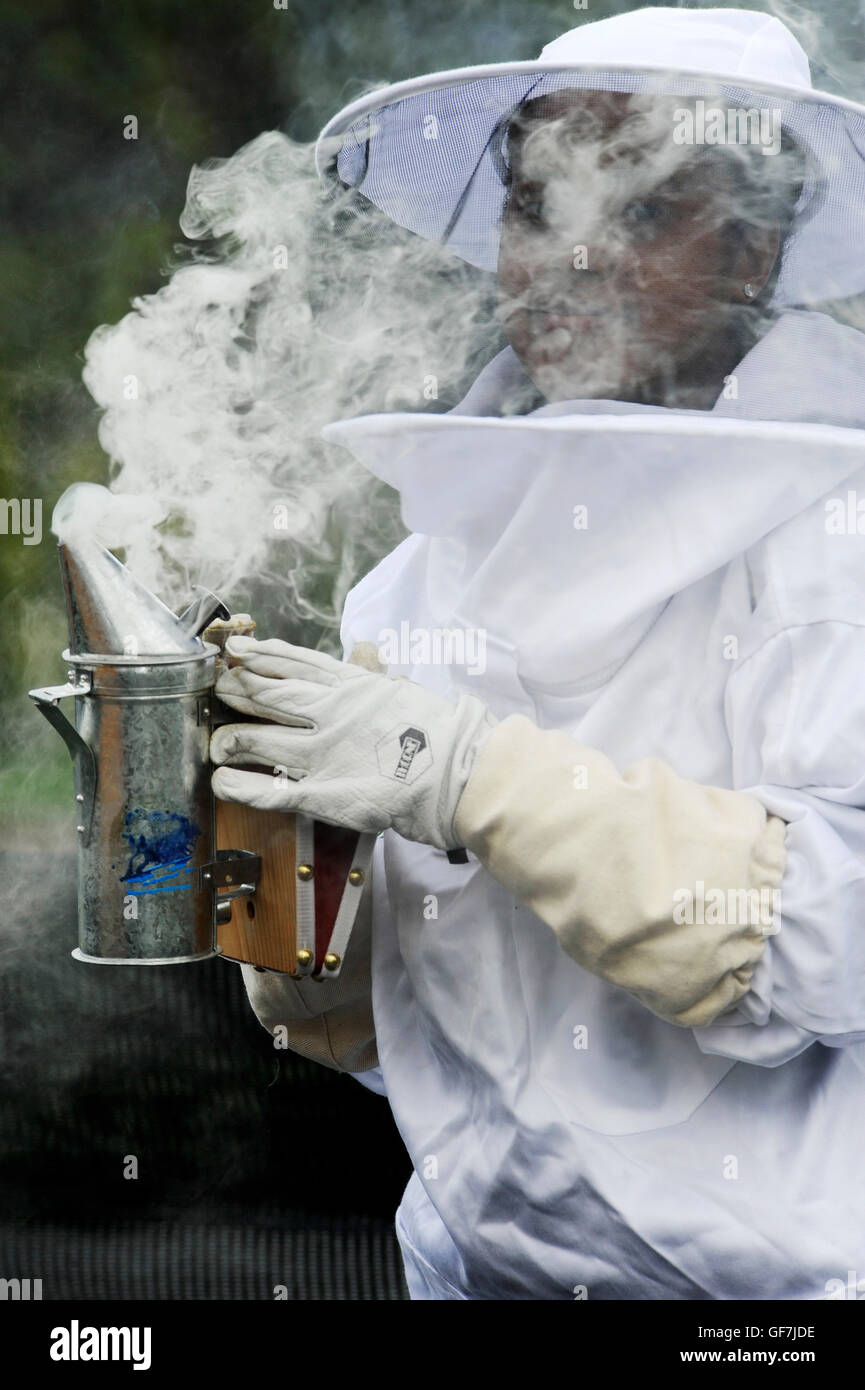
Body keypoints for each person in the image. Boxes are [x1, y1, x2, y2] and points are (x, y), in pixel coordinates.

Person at [210, 7, 865, 1299]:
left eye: (636, 210)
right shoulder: (420, 579)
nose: (568, 255)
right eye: (532, 205)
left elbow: (825, 947)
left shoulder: (837, 550)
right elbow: (389, 1026)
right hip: (466, 1277)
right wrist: (258, 858)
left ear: (751, 246)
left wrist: (474, 781)